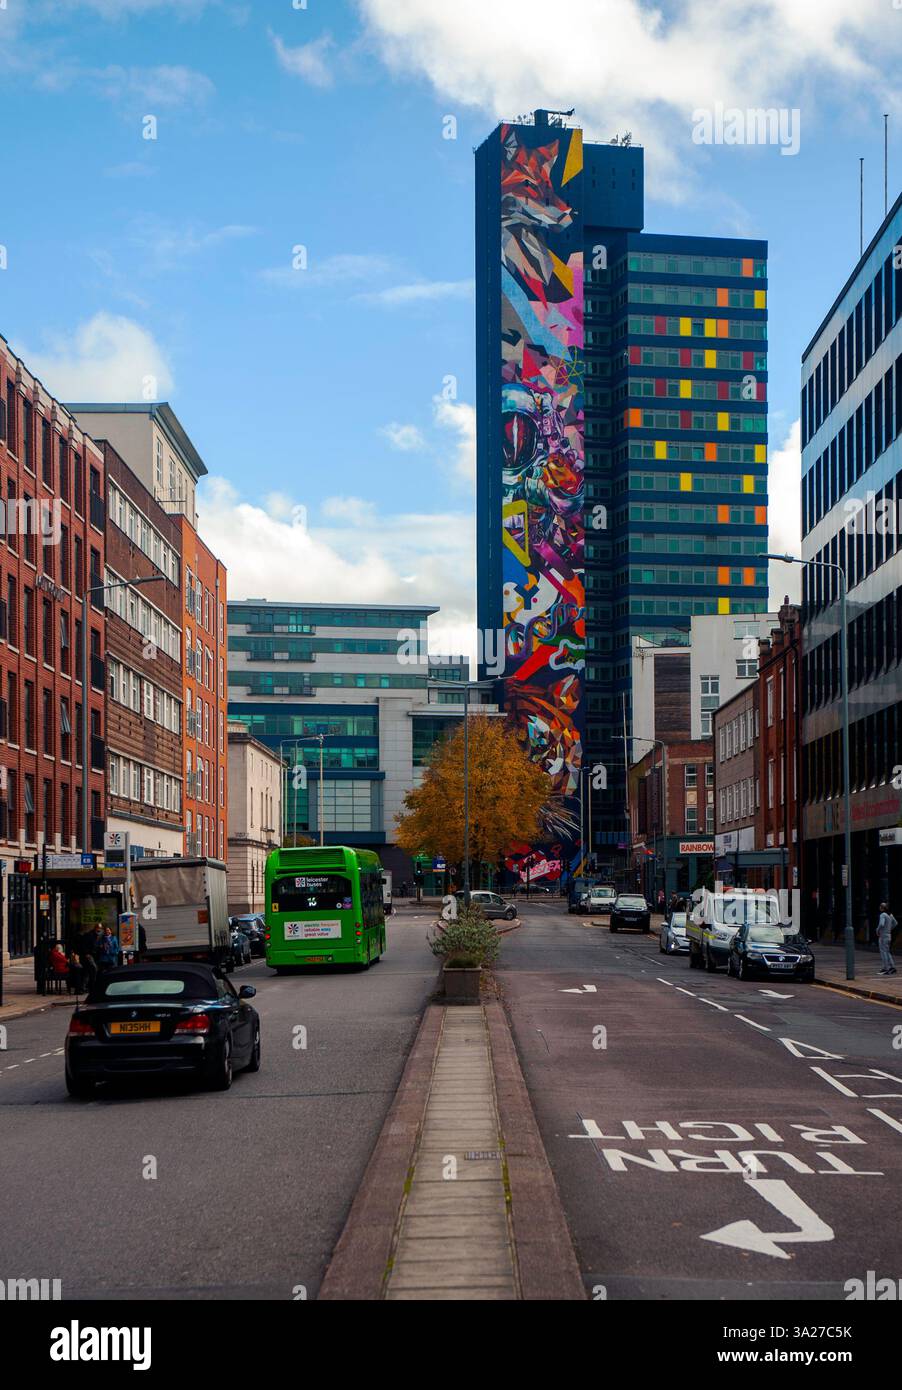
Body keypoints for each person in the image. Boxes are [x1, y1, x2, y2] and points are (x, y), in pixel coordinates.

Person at [876, 902, 898, 976]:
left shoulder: (882, 915)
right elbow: (895, 923)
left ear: (882, 908)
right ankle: (892, 967)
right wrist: (889, 929)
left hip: (883, 936)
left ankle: (886, 968)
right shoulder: (890, 914)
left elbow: (881, 924)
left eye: (880, 906)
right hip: (889, 935)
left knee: (883, 952)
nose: (879, 907)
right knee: (887, 951)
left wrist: (877, 930)